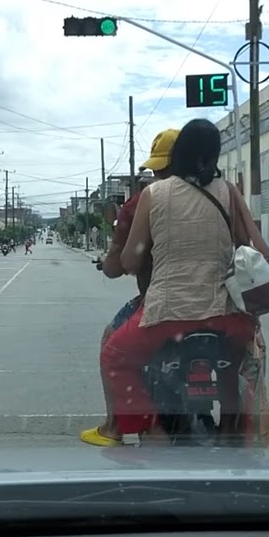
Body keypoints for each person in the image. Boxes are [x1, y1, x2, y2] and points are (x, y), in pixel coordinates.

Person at [99, 118, 269, 445]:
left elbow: (131, 260)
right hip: (225, 315)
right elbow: (260, 250)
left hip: (165, 315)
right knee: (243, 362)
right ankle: (239, 433)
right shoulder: (229, 193)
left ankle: (152, 429)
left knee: (114, 355)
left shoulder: (154, 194)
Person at [80, 128, 179, 447]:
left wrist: (114, 261)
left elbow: (118, 266)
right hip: (220, 304)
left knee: (112, 341)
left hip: (159, 302)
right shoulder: (220, 194)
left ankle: (116, 426)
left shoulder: (141, 202)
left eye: (158, 168)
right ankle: (241, 428)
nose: (157, 174)